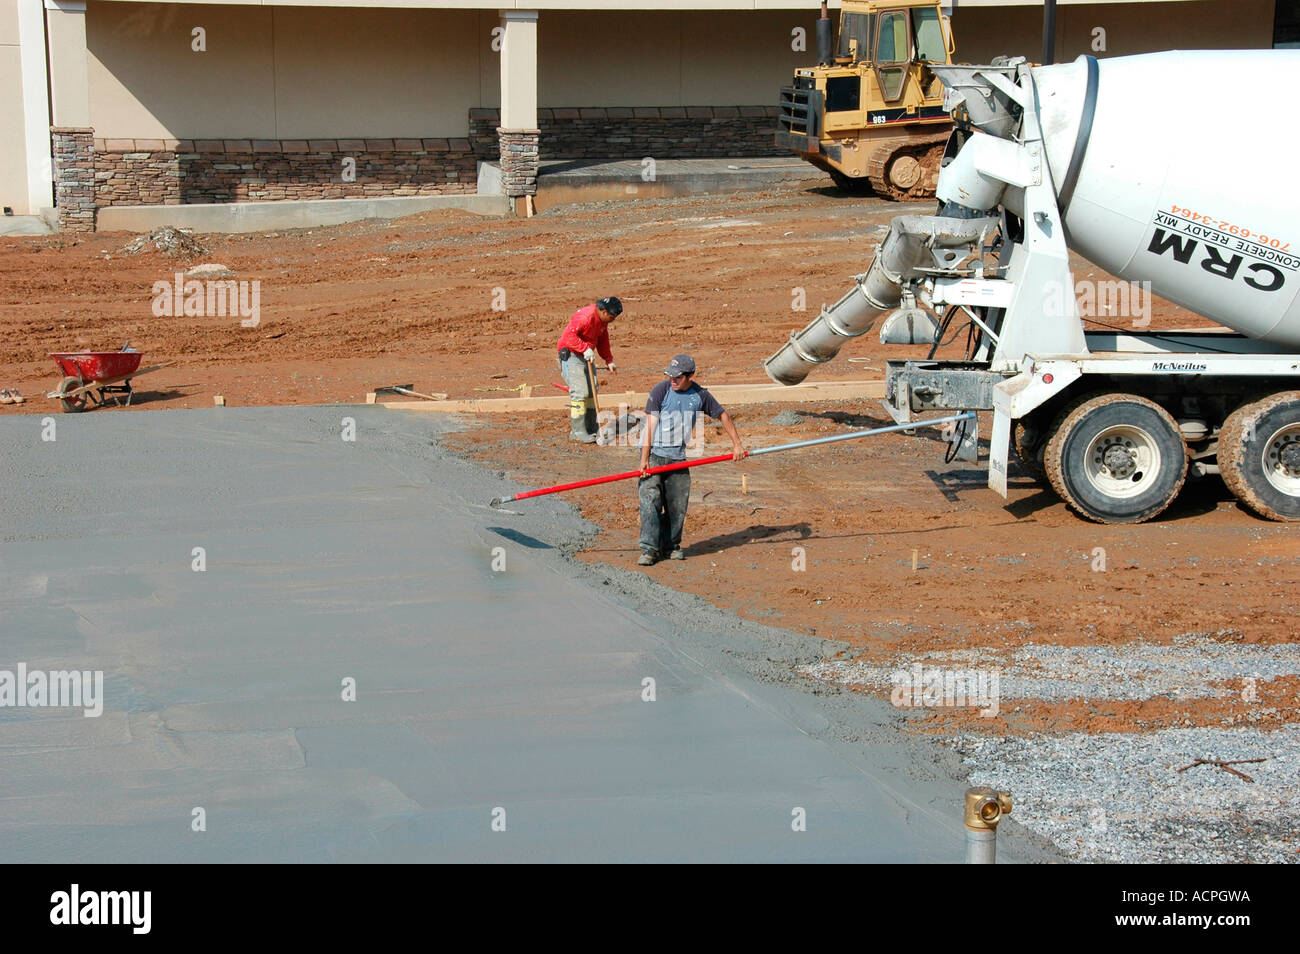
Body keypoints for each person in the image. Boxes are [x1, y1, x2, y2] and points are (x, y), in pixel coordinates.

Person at [636, 354, 745, 566]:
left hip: (679, 459)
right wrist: (644, 459)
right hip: (654, 456)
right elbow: (650, 426)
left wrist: (737, 444)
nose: (672, 380)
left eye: (677, 377)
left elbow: (723, 415)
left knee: (677, 506)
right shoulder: (661, 390)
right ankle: (649, 549)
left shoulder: (700, 395)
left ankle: (671, 546)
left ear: (690, 376)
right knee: (650, 502)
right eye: (670, 376)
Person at [556, 296, 622, 442]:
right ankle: (578, 432)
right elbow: (568, 336)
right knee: (580, 392)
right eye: (611, 317)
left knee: (592, 391)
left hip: (586, 355)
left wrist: (608, 359)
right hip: (572, 354)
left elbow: (603, 339)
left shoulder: (602, 321)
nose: (613, 320)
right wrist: (585, 348)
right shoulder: (585, 317)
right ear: (604, 312)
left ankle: (592, 427)